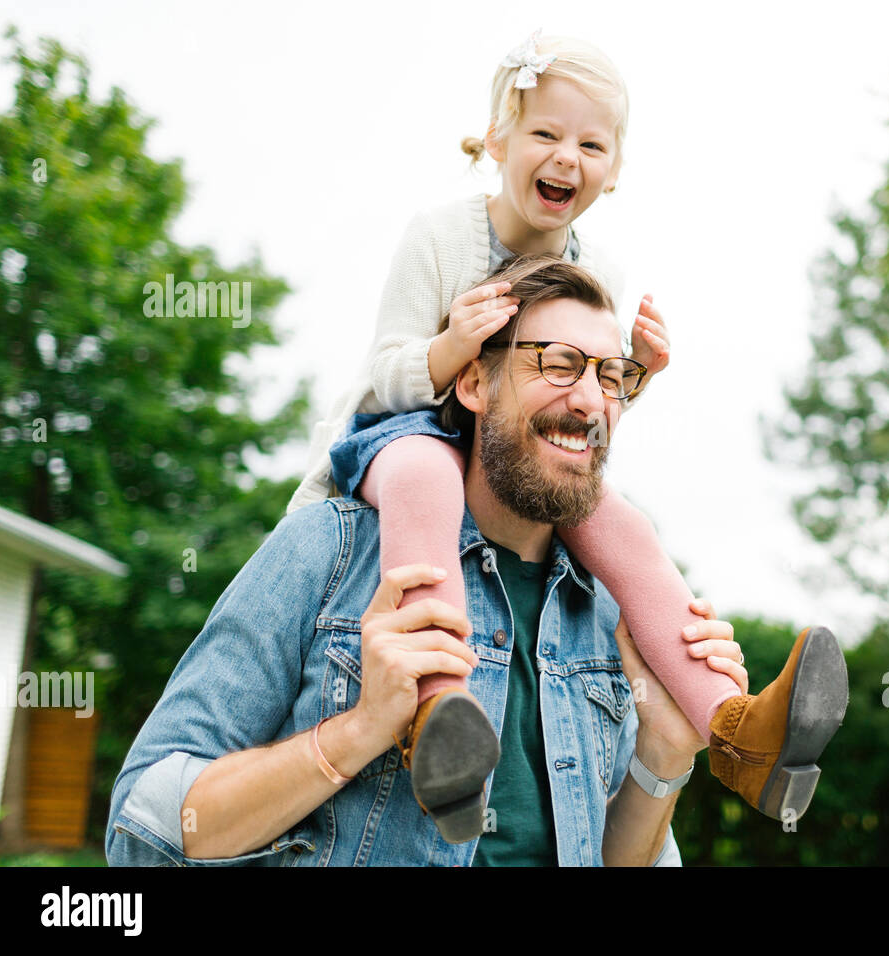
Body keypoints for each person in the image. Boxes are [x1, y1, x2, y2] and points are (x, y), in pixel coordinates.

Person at [285, 30, 849, 842]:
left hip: (509, 460)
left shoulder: (598, 271)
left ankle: (738, 733)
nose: (566, 156)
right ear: (497, 139)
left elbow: (569, 416)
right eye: (546, 134)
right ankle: (440, 710)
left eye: (591, 143)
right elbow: (382, 373)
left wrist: (635, 375)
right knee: (428, 475)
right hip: (404, 433)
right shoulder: (441, 237)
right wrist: (451, 349)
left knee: (621, 521)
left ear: (614, 170)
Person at [105, 257, 843, 867]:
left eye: (611, 377)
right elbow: (145, 825)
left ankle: (738, 740)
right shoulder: (327, 553)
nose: (590, 400)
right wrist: (357, 732)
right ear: (473, 382)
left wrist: (664, 751)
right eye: (558, 364)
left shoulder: (615, 611)